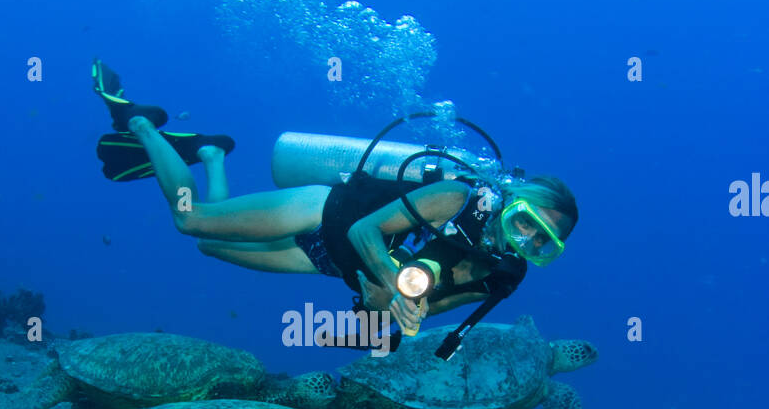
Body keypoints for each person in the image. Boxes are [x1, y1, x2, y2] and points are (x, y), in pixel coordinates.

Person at [93, 61, 578, 340]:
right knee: (190, 220)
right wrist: (390, 279)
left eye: (542, 244)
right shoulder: (455, 197)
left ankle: (211, 154)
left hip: (329, 263)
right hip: (326, 211)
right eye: (528, 221)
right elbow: (364, 231)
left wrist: (386, 310)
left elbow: (418, 309)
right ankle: (138, 122)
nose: (526, 240)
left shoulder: (501, 278)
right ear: (514, 201)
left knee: (207, 246)